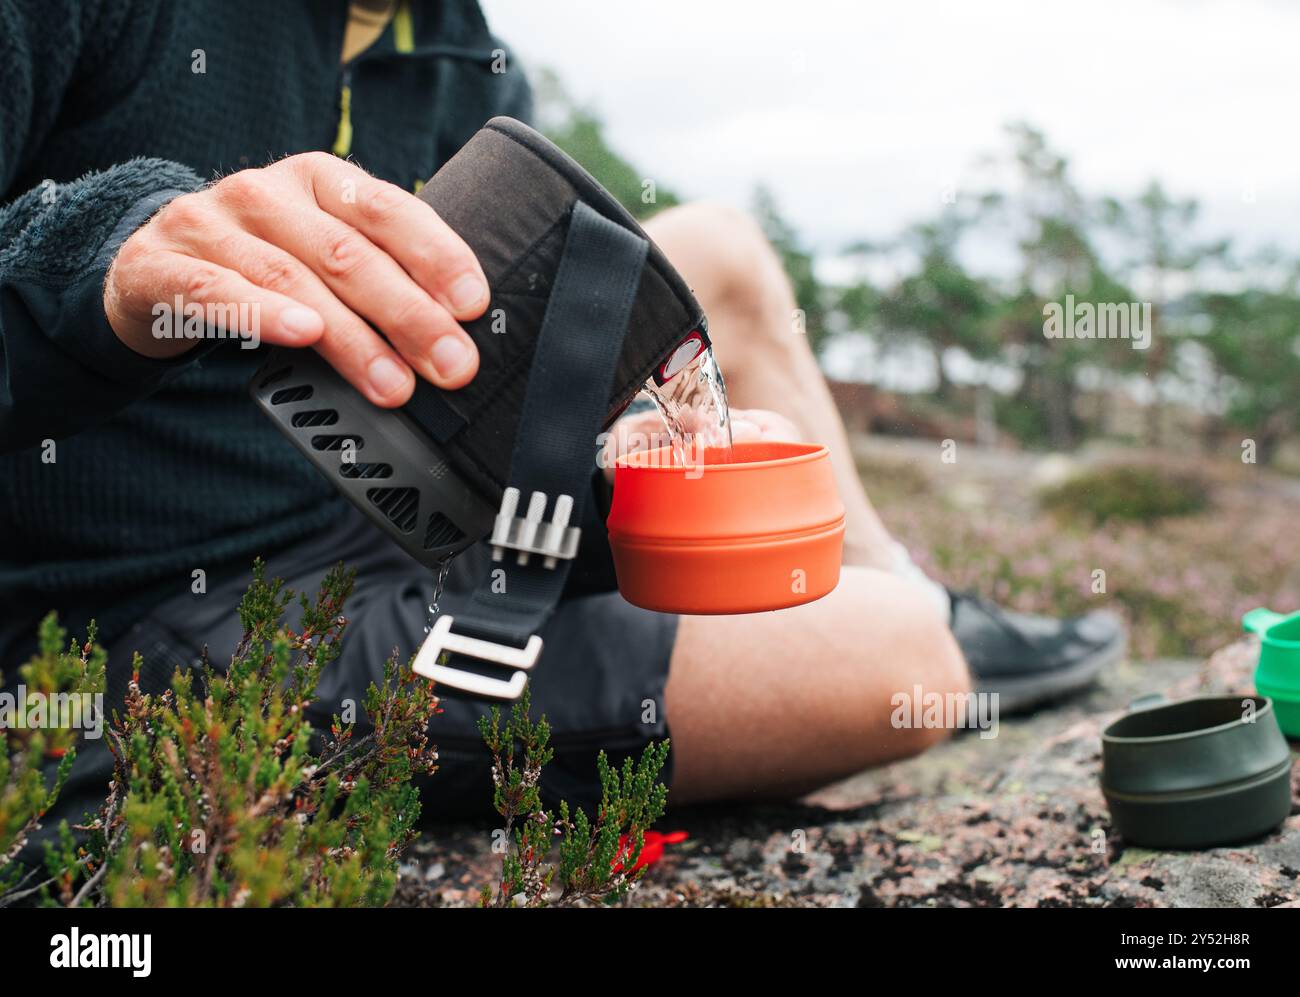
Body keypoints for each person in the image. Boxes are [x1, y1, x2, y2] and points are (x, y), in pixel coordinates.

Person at [0, 0, 1123, 859]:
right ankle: (920, 632)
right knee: (896, 662)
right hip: (160, 621)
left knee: (719, 252)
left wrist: (600, 431)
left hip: (402, 494)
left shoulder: (449, 37)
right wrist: (105, 267)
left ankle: (901, 580)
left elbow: (499, 344)